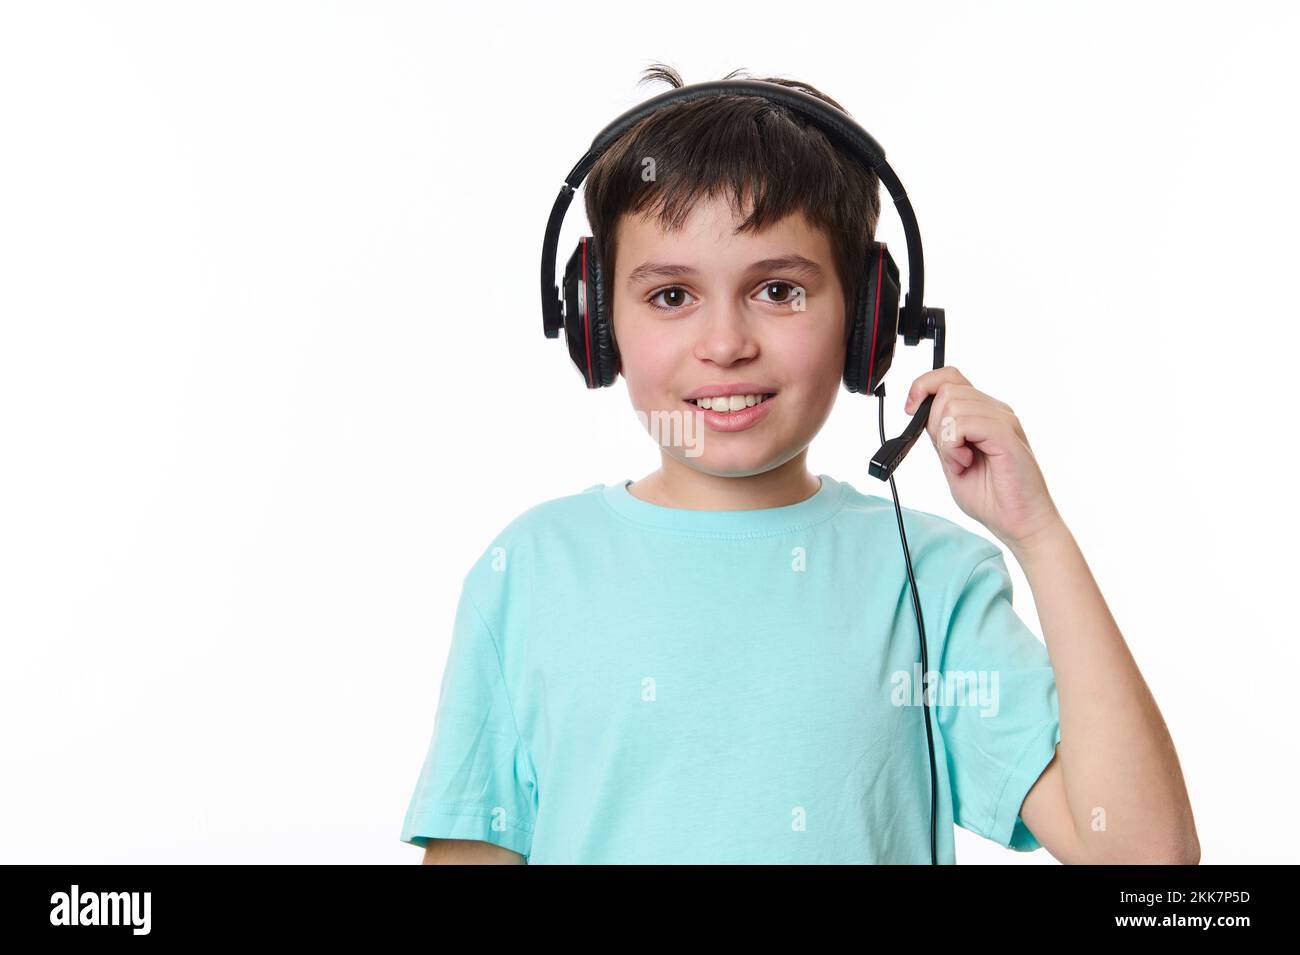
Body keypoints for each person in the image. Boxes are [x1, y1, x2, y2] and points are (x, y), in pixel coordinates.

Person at [398, 63, 1199, 864]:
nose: (725, 343)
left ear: (870, 320)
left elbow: (1146, 857)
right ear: (594, 323)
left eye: (779, 290)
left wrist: (1040, 536)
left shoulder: (928, 580)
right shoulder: (530, 572)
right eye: (672, 295)